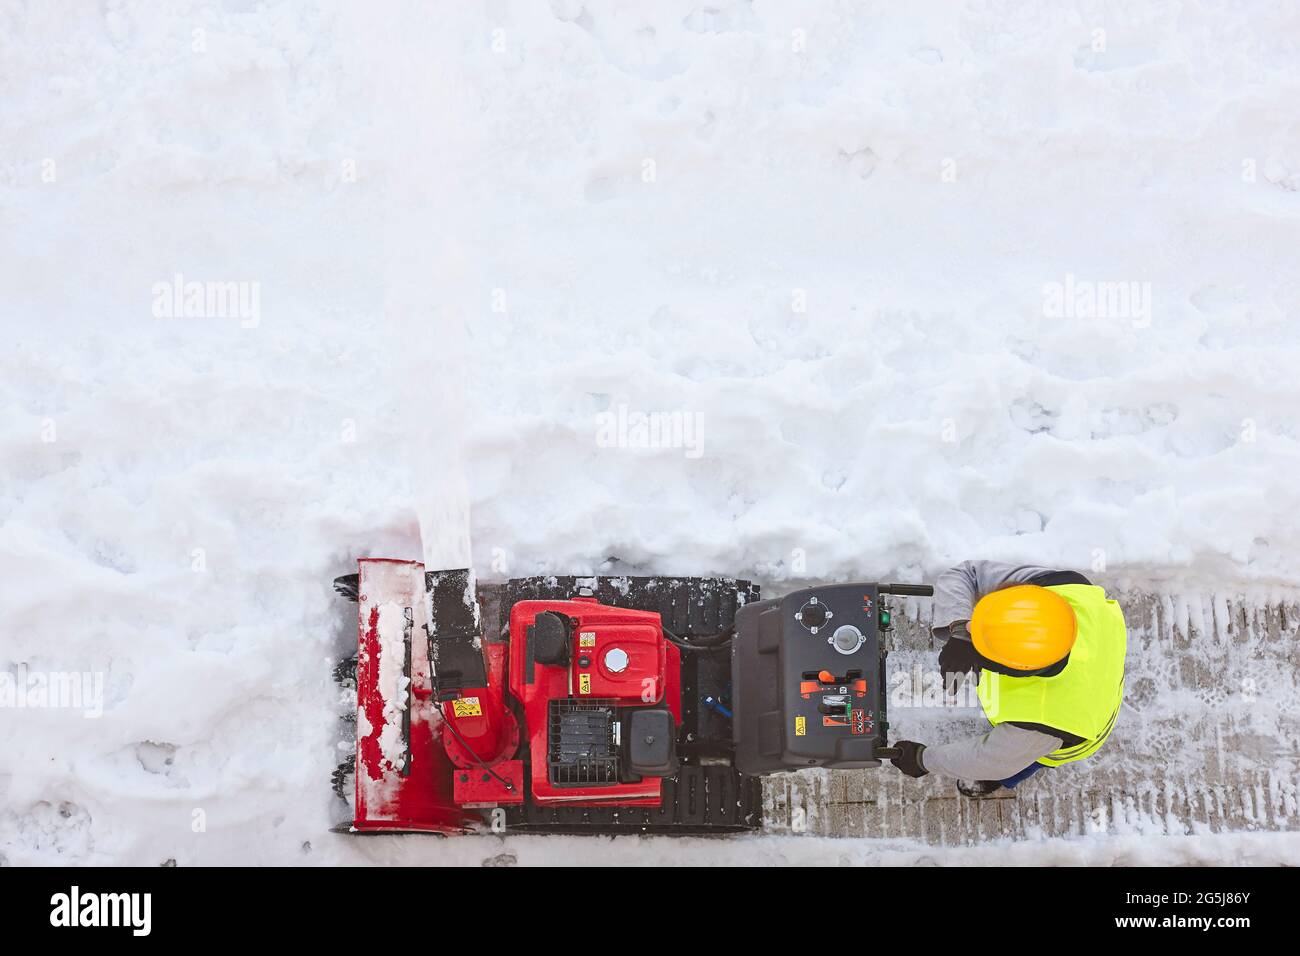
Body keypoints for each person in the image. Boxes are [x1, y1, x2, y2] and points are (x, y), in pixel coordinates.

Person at [888, 561, 1126, 794]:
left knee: (1014, 764)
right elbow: (966, 574)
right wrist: (961, 632)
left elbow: (986, 759)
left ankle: (1000, 781)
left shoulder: (1042, 726)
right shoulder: (1064, 585)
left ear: (1013, 667)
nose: (973, 629)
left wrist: (922, 759)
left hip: (1080, 728)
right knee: (1013, 755)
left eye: (985, 638)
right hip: (1097, 667)